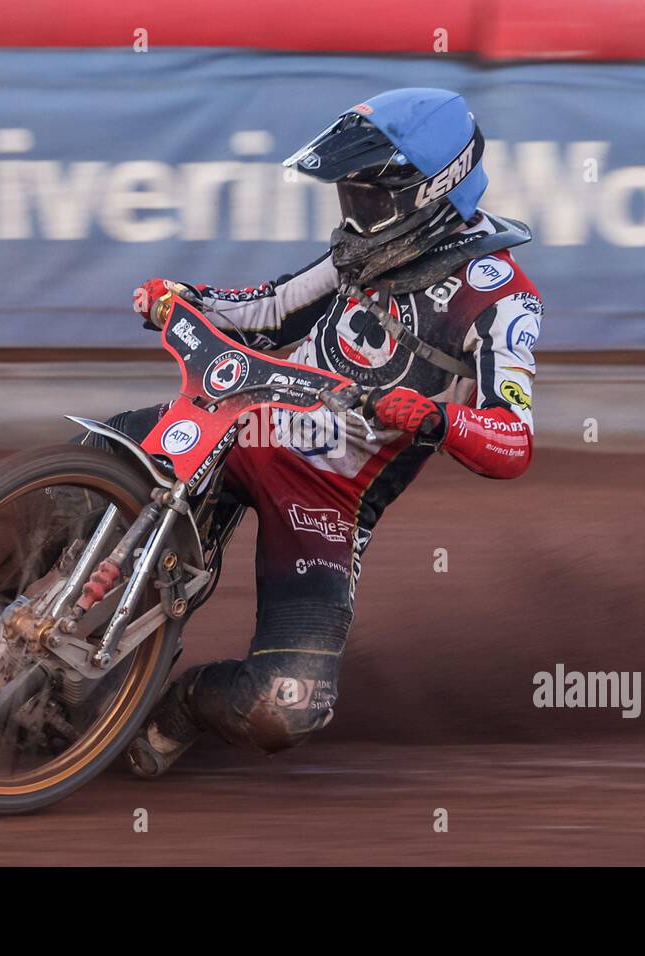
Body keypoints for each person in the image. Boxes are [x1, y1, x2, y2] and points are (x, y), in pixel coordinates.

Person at [121, 87, 543, 777]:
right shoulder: (361, 252)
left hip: (328, 497)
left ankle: (183, 704)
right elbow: (272, 309)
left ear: (430, 196)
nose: (355, 213)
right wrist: (186, 299)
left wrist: (435, 416)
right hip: (247, 424)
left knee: (285, 708)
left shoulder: (500, 297)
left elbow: (512, 439)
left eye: (371, 199)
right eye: (351, 195)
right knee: (94, 461)